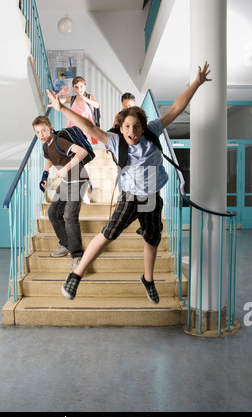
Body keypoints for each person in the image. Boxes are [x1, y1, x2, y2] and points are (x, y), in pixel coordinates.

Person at [46, 61, 211, 304]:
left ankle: (148, 279)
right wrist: (62, 109)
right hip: (131, 195)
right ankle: (76, 274)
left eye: (136, 127)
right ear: (120, 128)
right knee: (109, 233)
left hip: (152, 194)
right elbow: (89, 126)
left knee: (153, 238)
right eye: (127, 127)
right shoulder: (114, 141)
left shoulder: (153, 130)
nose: (131, 131)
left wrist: (196, 83)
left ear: (144, 127)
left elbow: (176, 108)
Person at [32, 115, 90, 272]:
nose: (41, 135)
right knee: (53, 212)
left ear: (50, 129)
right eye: (38, 132)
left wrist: (65, 168)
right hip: (67, 182)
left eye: (44, 130)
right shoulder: (46, 146)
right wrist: (45, 175)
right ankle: (65, 244)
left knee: (69, 216)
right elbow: (50, 158)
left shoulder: (59, 141)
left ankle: (77, 256)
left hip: (78, 179)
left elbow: (82, 152)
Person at [60, 76, 100, 145]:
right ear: (73, 88)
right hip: (74, 129)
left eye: (81, 86)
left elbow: (96, 105)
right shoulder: (72, 98)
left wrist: (84, 99)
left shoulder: (89, 97)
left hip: (86, 129)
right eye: (76, 87)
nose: (79, 89)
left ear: (85, 86)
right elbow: (54, 101)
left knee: (85, 149)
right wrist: (60, 93)